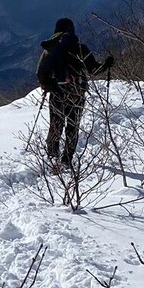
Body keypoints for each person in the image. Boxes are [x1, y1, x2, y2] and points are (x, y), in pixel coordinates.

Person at [36, 17, 113, 172]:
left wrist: (47, 86)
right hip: (76, 93)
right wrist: (107, 64)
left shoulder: (49, 49)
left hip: (57, 92)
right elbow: (94, 70)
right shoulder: (80, 48)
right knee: (72, 126)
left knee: (56, 124)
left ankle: (52, 157)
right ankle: (66, 160)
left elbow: (40, 72)